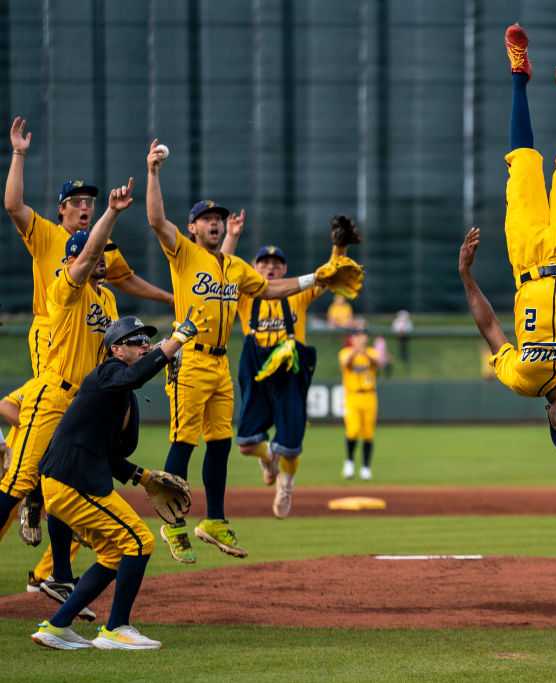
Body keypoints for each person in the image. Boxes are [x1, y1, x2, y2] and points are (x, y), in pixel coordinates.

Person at [145, 139, 331, 562]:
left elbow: (268, 288)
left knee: (221, 443)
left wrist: (312, 277)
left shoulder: (233, 266)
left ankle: (215, 519)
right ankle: (173, 523)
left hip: (219, 362)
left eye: (219, 219)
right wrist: (153, 172)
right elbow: (156, 219)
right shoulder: (184, 254)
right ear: (192, 228)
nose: (214, 223)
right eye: (206, 219)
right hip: (188, 357)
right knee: (184, 442)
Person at [5, 116, 172, 545]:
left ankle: (42, 493)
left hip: (85, 343)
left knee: (61, 433)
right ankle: (33, 480)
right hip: (52, 330)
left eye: (88, 202)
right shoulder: (47, 235)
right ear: (61, 208)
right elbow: (13, 206)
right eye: (76, 201)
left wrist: (172, 301)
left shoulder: (103, 271)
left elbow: (124, 277)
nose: (84, 206)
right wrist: (19, 154)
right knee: (46, 413)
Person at [460, 24, 556, 450]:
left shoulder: (522, 380)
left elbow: (490, 325)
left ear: (548, 416)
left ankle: (518, 71)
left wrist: (466, 276)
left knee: (524, 166)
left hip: (527, 260)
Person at [0, 179, 134, 621]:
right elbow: (86, 258)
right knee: (17, 483)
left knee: (66, 489)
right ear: (74, 258)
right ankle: (53, 561)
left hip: (81, 405)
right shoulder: (65, 285)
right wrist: (111, 213)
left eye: (101, 256)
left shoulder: (108, 299)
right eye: (92, 255)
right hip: (50, 395)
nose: (100, 261)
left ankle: (57, 573)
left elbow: (118, 352)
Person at [31, 311, 204, 650]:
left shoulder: (117, 393)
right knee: (140, 541)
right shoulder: (107, 375)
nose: (144, 345)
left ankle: (57, 626)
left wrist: (144, 477)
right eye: (136, 341)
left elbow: (108, 454)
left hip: (71, 479)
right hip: (72, 480)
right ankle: (117, 628)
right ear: (115, 350)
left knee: (113, 553)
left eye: (147, 340)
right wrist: (174, 342)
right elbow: (134, 377)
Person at [222, 214, 342, 518]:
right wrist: (232, 236)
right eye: (263, 263)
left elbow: (329, 274)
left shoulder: (297, 294)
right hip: (257, 367)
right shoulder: (244, 295)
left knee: (290, 443)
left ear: (286, 269)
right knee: (248, 443)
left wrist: (339, 247)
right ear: (252, 267)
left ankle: (286, 485)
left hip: (290, 370)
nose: (270, 267)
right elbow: (220, 269)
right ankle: (267, 458)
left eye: (276, 263)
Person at [339, 327, 384, 480]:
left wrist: (363, 351)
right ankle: (349, 463)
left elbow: (377, 363)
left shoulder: (371, 352)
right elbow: (346, 363)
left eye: (362, 336)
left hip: (369, 395)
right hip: (352, 396)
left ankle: (366, 467)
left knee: (368, 433)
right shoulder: (346, 352)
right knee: (353, 430)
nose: (359, 339)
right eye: (357, 336)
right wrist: (355, 350)